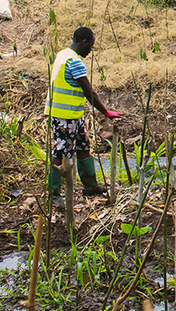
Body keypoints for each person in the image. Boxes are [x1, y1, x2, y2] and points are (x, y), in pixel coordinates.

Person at [45, 27, 122, 201]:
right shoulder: (74, 61)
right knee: (60, 153)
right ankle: (53, 195)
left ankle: (90, 186)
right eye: (91, 46)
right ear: (84, 43)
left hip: (72, 115)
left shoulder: (62, 55)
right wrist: (106, 112)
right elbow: (89, 92)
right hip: (65, 116)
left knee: (83, 147)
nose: (91, 50)